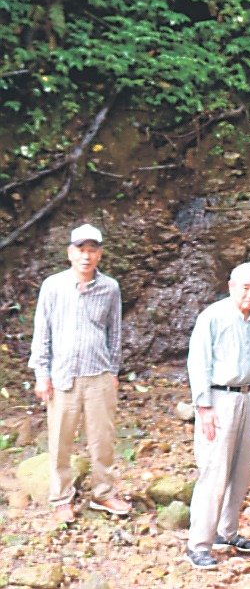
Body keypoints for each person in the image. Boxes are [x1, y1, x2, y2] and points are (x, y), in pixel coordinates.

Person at [28, 223, 130, 523]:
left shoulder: (110, 287)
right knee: (60, 441)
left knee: (103, 439)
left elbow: (115, 332)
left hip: (99, 374)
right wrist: (41, 374)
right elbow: (42, 331)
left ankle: (104, 492)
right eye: (80, 250)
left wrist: (114, 369)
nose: (86, 256)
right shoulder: (53, 286)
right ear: (70, 252)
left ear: (100, 253)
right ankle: (61, 497)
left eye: (92, 250)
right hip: (63, 377)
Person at [185, 262, 250, 571]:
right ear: (231, 286)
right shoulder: (212, 317)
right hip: (218, 399)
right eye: (245, 287)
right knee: (214, 473)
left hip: (245, 397)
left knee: (242, 470)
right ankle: (198, 545)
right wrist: (203, 407)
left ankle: (226, 533)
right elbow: (198, 362)